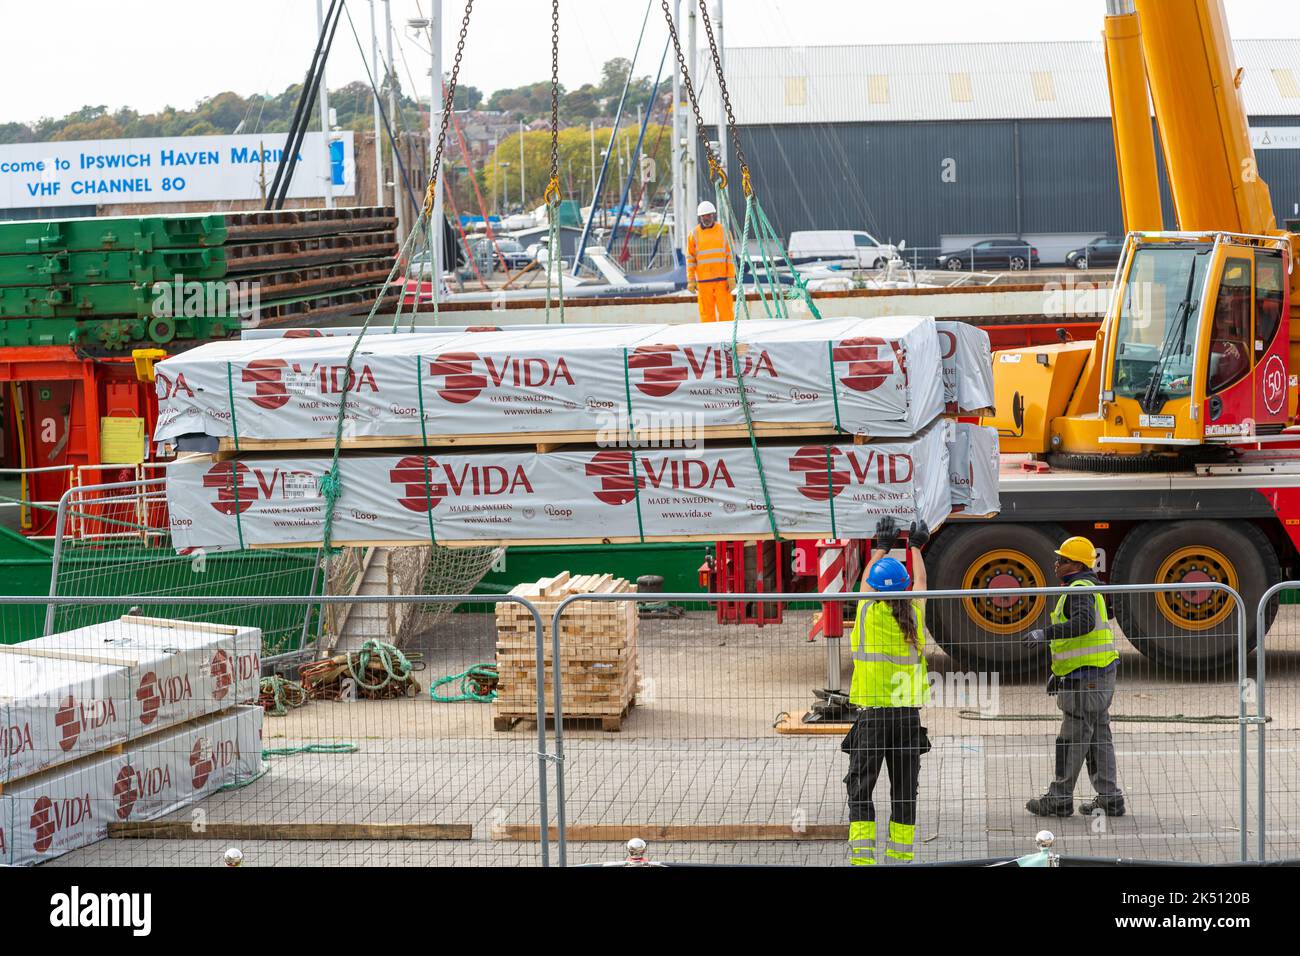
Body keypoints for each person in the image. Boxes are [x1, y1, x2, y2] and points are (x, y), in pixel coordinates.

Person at [843, 516, 932, 865]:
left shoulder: (867, 614)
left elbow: (867, 582)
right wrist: (915, 547)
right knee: (905, 790)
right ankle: (899, 858)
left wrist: (881, 546)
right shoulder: (914, 613)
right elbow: (922, 582)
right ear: (905, 588)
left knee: (861, 787)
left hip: (873, 717)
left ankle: (863, 861)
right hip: (907, 717)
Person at [1024, 535, 1125, 817]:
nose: (1055, 564)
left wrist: (1044, 634)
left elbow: (1083, 624)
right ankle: (1110, 798)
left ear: (1075, 564)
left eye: (1061, 560)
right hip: (1097, 674)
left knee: (1072, 737)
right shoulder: (1092, 586)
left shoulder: (1079, 590)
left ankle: (1059, 798)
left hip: (1087, 679)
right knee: (1098, 736)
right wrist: (1060, 673)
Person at [685, 200, 736, 322]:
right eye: (704, 216)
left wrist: (731, 277)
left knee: (726, 314)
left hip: (722, 282)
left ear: (713, 215)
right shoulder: (694, 234)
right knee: (706, 316)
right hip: (703, 283)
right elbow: (690, 259)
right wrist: (691, 280)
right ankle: (710, 340)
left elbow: (730, 256)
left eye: (708, 215)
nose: (706, 218)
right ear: (700, 217)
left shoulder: (723, 231)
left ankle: (728, 339)